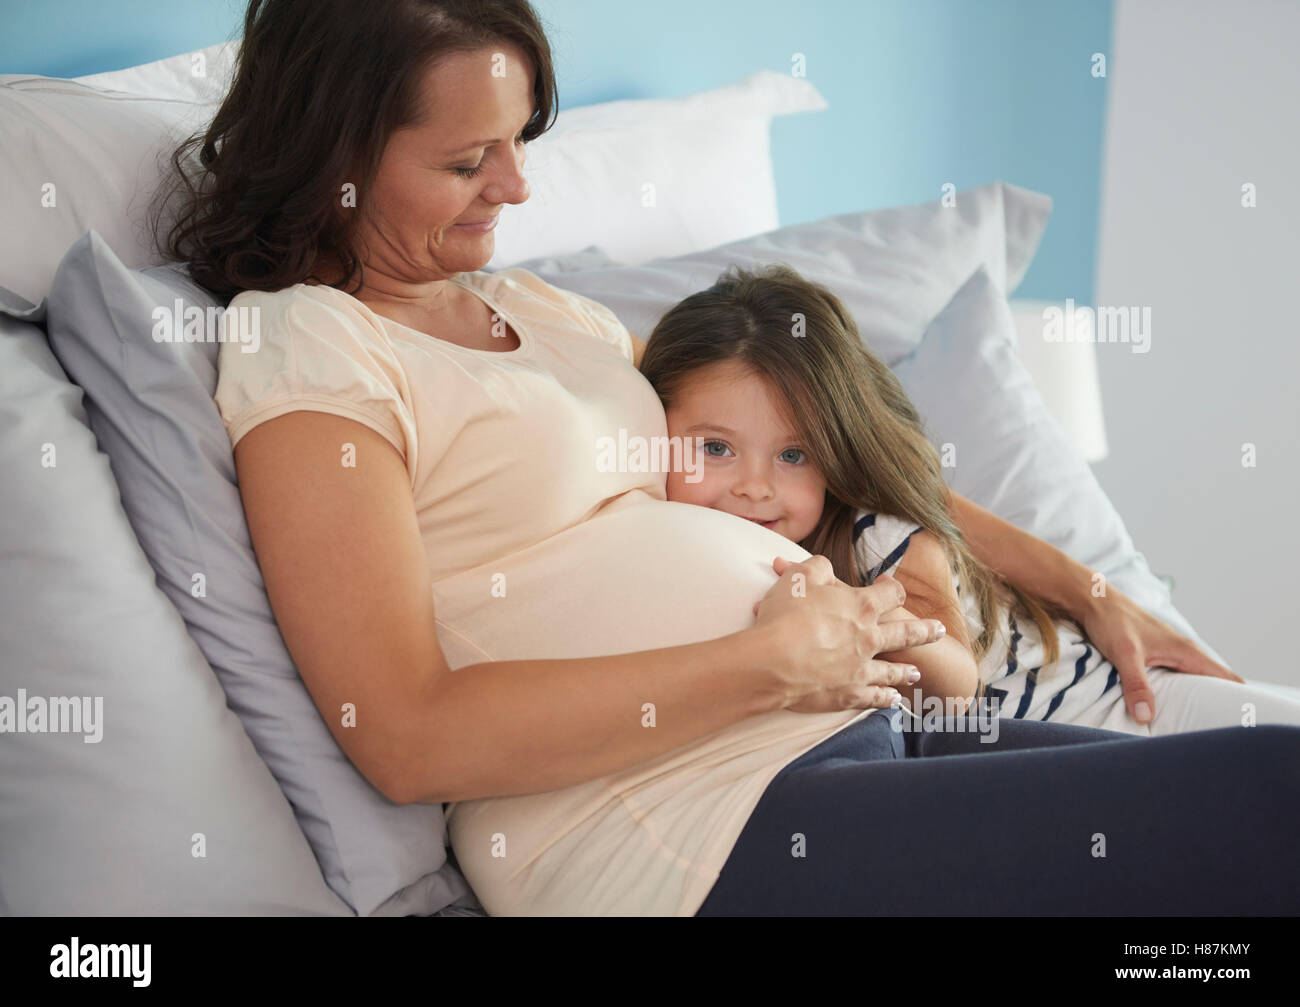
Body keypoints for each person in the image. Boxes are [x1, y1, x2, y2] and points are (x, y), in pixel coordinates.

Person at [161, 0, 1300, 915]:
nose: (514, 188)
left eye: (518, 144)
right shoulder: (312, 343)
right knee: (1271, 797)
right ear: (338, 159)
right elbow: (403, 734)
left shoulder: (542, 312)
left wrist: (1080, 583)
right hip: (670, 831)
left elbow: (828, 434)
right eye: (467, 161)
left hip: (839, 742)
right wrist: (770, 668)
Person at [639, 262, 1300, 737]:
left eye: (793, 455)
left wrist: (853, 619)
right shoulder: (654, 524)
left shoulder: (878, 534)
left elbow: (955, 686)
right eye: (715, 448)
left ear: (836, 459)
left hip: (1122, 707)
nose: (755, 485)